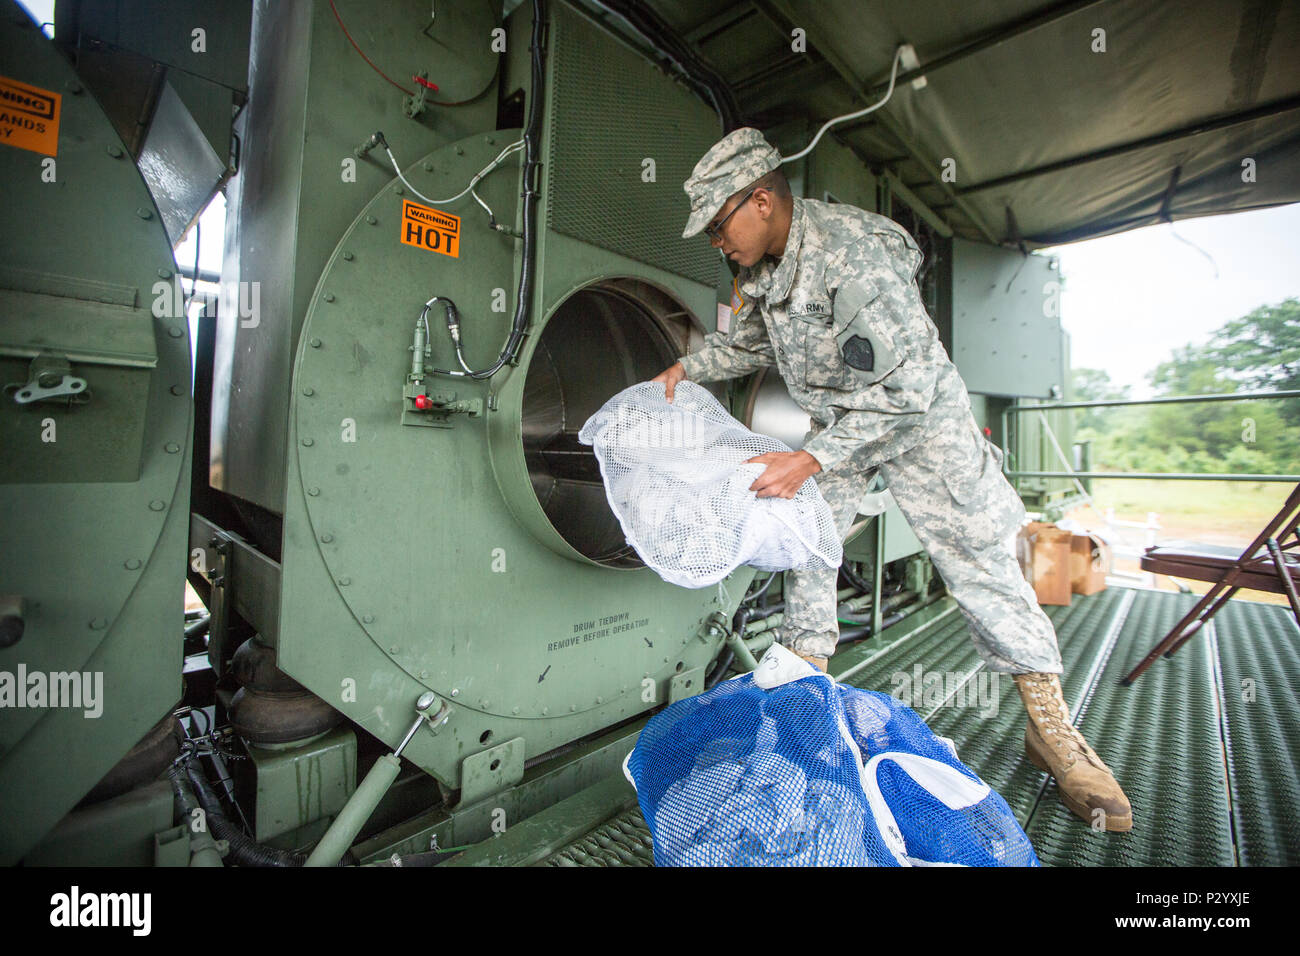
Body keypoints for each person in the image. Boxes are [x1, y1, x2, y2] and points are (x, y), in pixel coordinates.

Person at [650, 127, 1132, 832]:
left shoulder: (853, 259)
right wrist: (684, 369)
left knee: (983, 562)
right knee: (810, 541)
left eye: (719, 225)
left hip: (920, 420)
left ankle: (1053, 732)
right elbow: (752, 341)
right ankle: (798, 704)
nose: (716, 243)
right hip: (843, 422)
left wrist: (809, 457)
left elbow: (905, 393)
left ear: (760, 200)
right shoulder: (765, 267)